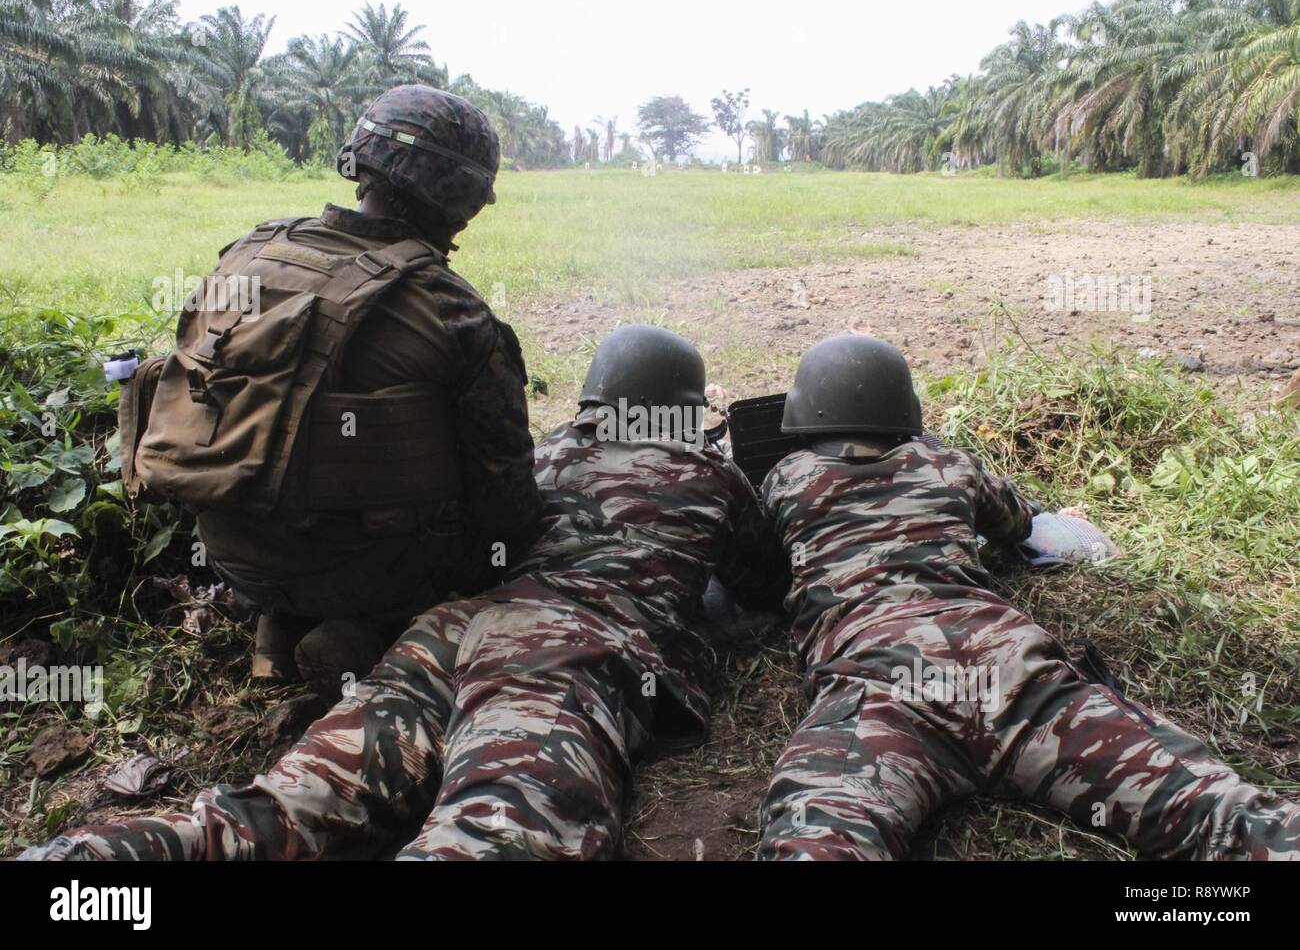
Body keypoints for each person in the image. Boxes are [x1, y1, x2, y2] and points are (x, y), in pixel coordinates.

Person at [22, 325, 783, 861]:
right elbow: (762, 582)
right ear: (684, 409)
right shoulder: (710, 475)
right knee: (506, 830)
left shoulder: (545, 453)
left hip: (450, 630)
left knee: (294, 804)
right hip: (566, 650)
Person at [756, 334, 1300, 860]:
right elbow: (1018, 522)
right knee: (1218, 811)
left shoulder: (784, 477)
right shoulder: (950, 465)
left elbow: (756, 576)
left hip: (881, 687)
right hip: (1012, 671)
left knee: (817, 844)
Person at [117, 85, 542, 683]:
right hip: (369, 570)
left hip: (229, 552)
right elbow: (505, 499)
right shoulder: (453, 308)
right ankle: (368, 632)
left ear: (360, 161)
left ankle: (280, 624)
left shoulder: (247, 252)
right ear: (461, 196)